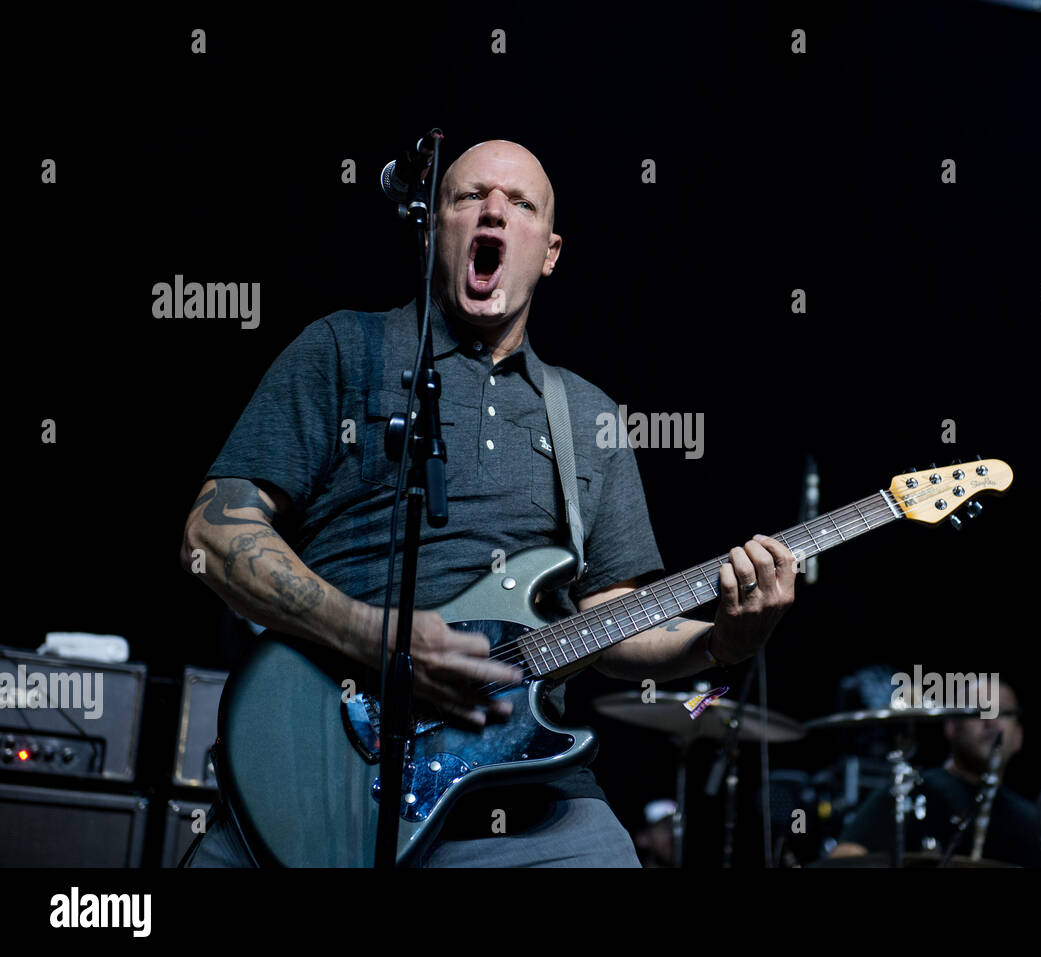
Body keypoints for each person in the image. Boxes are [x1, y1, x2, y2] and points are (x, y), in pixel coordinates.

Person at [178, 140, 796, 867]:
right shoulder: (344, 349)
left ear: (551, 251)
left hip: (524, 791)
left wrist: (722, 642)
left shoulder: (588, 416)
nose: (494, 212)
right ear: (434, 222)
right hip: (318, 752)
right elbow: (213, 533)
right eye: (469, 196)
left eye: (522, 204)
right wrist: (373, 637)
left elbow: (611, 617)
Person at [830, 680, 1041, 867]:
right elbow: (845, 858)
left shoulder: (1034, 822)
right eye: (977, 710)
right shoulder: (909, 794)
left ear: (1019, 737)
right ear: (951, 726)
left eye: (1002, 712)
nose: (990, 722)